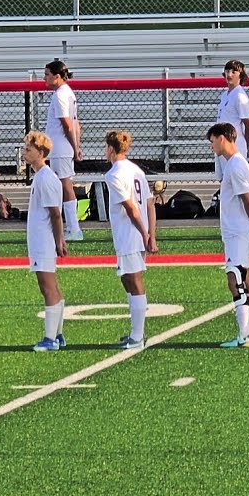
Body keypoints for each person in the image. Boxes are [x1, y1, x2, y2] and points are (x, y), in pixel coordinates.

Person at [208, 122, 249, 348]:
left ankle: (244, 335)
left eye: (213, 140)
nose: (212, 146)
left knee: (235, 280)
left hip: (238, 233)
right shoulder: (233, 165)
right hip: (237, 231)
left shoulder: (236, 166)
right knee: (246, 279)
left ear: (223, 138)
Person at [104, 130, 157, 350]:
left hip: (130, 234)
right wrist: (150, 233)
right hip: (134, 233)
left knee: (134, 282)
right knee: (127, 280)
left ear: (110, 149)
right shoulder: (136, 170)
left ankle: (137, 336)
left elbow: (132, 208)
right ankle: (135, 332)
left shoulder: (114, 174)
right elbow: (150, 203)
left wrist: (145, 234)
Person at [24, 131, 70, 351]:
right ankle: (58, 334)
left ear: (40, 152)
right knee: (51, 287)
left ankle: (51, 338)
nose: (26, 153)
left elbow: (55, 213)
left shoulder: (46, 178)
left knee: (48, 287)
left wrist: (58, 240)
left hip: (44, 241)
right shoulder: (41, 177)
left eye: (29, 149)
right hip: (40, 240)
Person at [44, 60, 85, 242]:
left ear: (57, 76)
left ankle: (74, 228)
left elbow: (68, 124)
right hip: (63, 147)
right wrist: (76, 145)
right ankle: (66, 226)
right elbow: (76, 125)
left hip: (60, 147)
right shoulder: (68, 93)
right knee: (62, 185)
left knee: (65, 186)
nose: (45, 78)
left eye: (47, 74)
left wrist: (75, 147)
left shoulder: (60, 95)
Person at [215, 59, 249, 179]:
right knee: (224, 180)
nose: (229, 75)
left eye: (233, 72)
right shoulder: (225, 95)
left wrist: (245, 143)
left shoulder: (240, 97)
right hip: (222, 144)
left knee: (235, 180)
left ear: (240, 76)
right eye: (227, 71)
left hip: (234, 145)